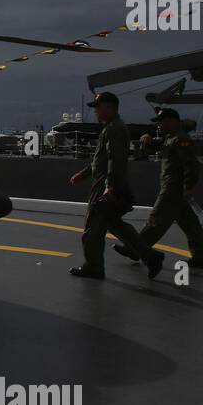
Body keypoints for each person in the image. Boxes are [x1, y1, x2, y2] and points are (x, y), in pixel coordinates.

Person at [68, 92, 163, 280]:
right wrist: (84, 174)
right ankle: (151, 256)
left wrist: (110, 188)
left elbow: (115, 160)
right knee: (116, 225)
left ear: (110, 107)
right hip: (108, 184)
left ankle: (94, 267)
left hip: (107, 187)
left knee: (92, 231)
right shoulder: (110, 128)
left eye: (98, 107)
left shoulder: (115, 129)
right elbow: (100, 159)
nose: (95, 111)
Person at [114, 107, 203, 270]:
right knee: (190, 224)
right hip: (175, 189)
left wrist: (189, 186)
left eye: (161, 121)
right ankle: (201, 257)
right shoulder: (171, 138)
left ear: (171, 121)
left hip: (173, 189)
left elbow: (191, 166)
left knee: (156, 219)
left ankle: (136, 250)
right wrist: (148, 140)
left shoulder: (180, 139)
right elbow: (157, 146)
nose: (158, 125)